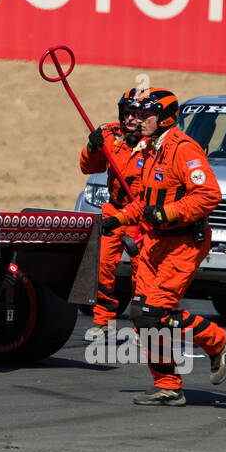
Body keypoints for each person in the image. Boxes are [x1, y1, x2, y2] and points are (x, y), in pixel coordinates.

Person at [101, 90, 226, 405]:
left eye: (144, 114)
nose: (135, 119)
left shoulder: (183, 149)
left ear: (164, 117)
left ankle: (218, 341)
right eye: (133, 113)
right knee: (141, 315)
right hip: (153, 243)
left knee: (156, 312)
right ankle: (167, 386)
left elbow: (208, 195)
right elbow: (147, 202)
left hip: (183, 243)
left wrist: (169, 213)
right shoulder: (150, 148)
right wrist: (119, 219)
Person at [78, 90, 147, 336]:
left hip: (143, 217)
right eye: (127, 113)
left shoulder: (158, 145)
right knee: (100, 267)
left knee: (144, 277)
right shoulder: (109, 134)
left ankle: (143, 330)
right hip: (114, 210)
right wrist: (91, 147)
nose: (130, 119)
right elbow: (89, 167)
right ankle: (102, 322)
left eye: (137, 114)